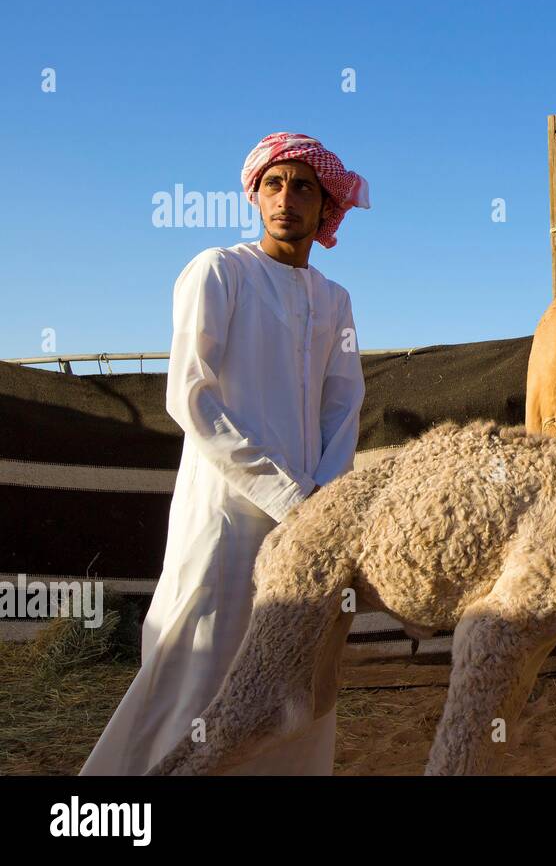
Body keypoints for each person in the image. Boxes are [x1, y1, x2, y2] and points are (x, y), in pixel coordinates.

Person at [81, 133, 369, 775]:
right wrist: (287, 495)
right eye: (274, 184)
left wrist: (321, 501)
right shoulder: (220, 270)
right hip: (224, 513)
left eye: (303, 186)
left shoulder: (335, 300)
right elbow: (190, 396)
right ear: (255, 195)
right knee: (196, 661)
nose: (287, 198)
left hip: (311, 522)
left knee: (296, 671)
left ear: (326, 206)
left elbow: (343, 405)